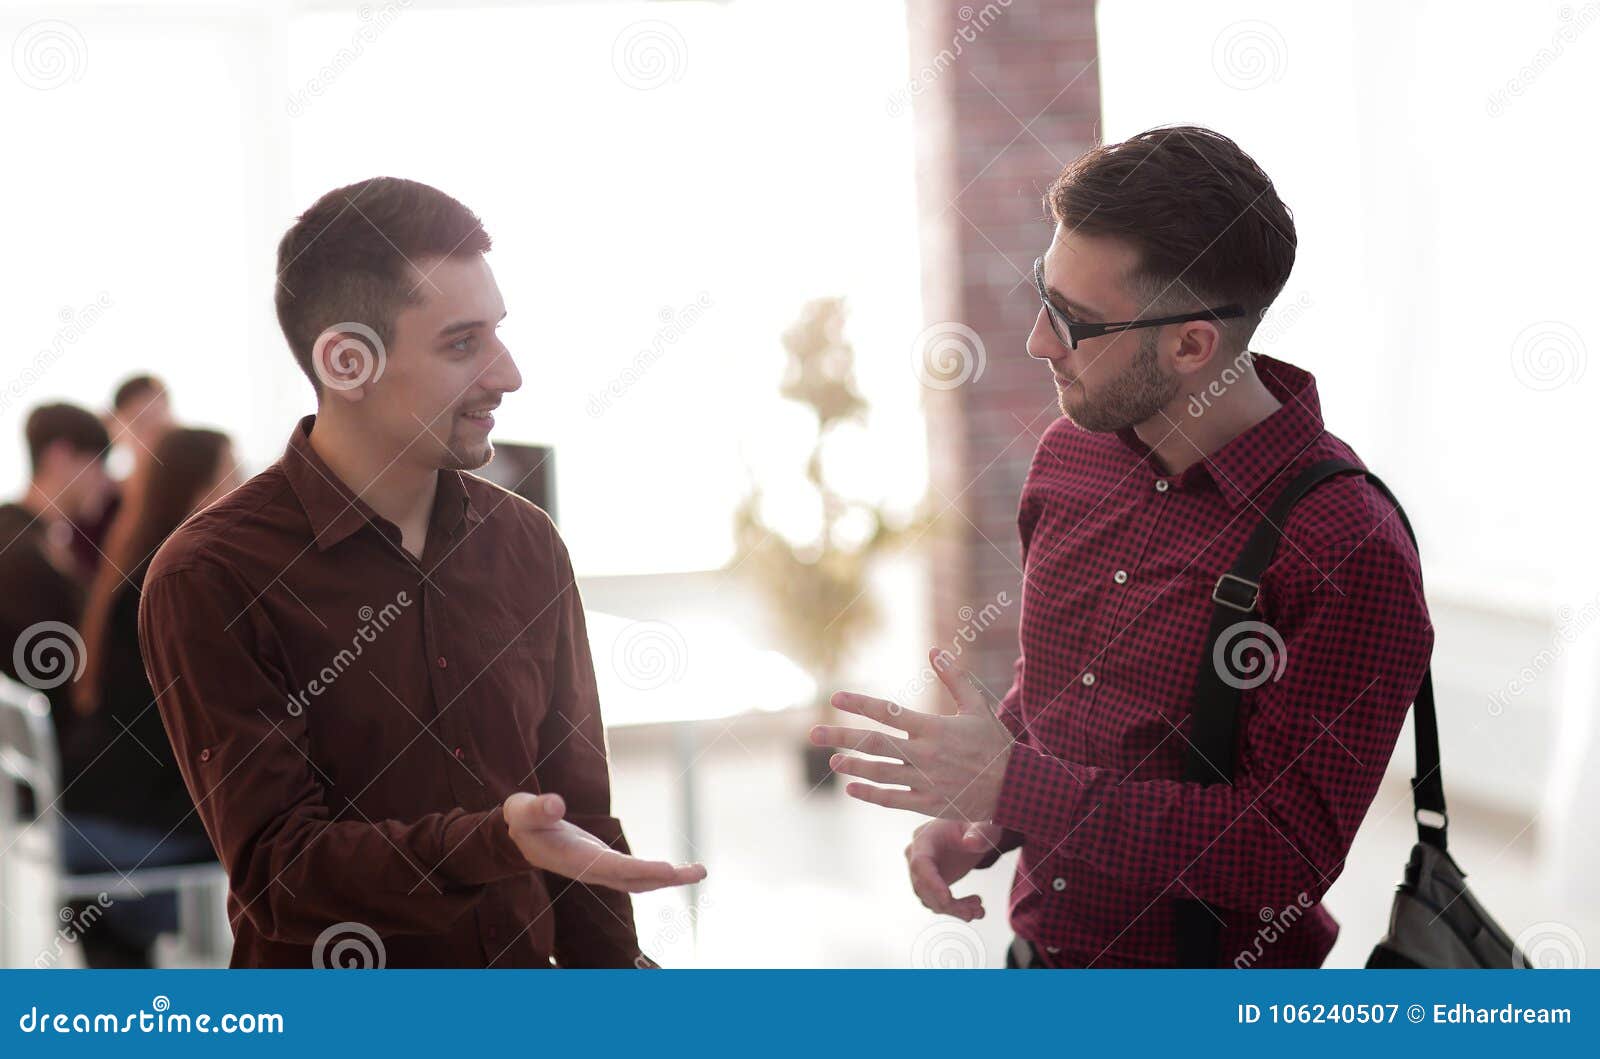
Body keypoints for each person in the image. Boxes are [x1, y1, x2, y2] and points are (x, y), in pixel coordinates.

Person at [812, 126, 1433, 968]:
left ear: (1191, 344)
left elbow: (1284, 852)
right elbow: (1062, 702)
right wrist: (985, 822)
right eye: (1045, 291)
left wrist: (1015, 785)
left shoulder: (1347, 545)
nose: (1038, 340)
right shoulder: (1072, 456)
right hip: (1037, 961)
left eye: (1077, 321)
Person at [139, 177, 703, 968]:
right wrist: (494, 842)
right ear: (346, 359)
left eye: (496, 334)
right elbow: (280, 874)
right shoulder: (213, 575)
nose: (507, 375)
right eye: (461, 343)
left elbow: (581, 820)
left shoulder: (526, 542)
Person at [58, 427, 239, 966]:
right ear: (197, 490)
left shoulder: (133, 570)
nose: (250, 486)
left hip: (87, 809)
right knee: (292, 830)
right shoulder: (185, 583)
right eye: (234, 474)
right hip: (140, 826)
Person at [0, 403, 115, 748]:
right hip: (49, 759)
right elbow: (55, 676)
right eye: (98, 463)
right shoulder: (18, 551)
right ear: (60, 456)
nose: (106, 481)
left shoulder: (46, 542)